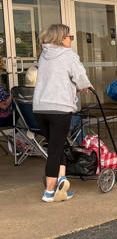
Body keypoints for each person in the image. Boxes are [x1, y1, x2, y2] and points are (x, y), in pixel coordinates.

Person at [33, 23, 91, 202]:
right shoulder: (68, 55)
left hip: (40, 108)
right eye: (69, 37)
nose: (71, 40)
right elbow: (80, 77)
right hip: (59, 108)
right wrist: (85, 85)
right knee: (55, 148)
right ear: (61, 38)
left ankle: (62, 184)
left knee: (57, 145)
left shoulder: (44, 55)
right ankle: (49, 192)